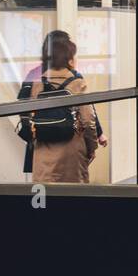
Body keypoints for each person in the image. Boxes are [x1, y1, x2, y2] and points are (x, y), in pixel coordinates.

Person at [21, 30, 100, 183]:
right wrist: (92, 147)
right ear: (68, 58)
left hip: (43, 156)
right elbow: (88, 120)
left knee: (45, 200)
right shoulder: (77, 84)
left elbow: (28, 118)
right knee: (72, 201)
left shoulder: (37, 85)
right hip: (72, 155)